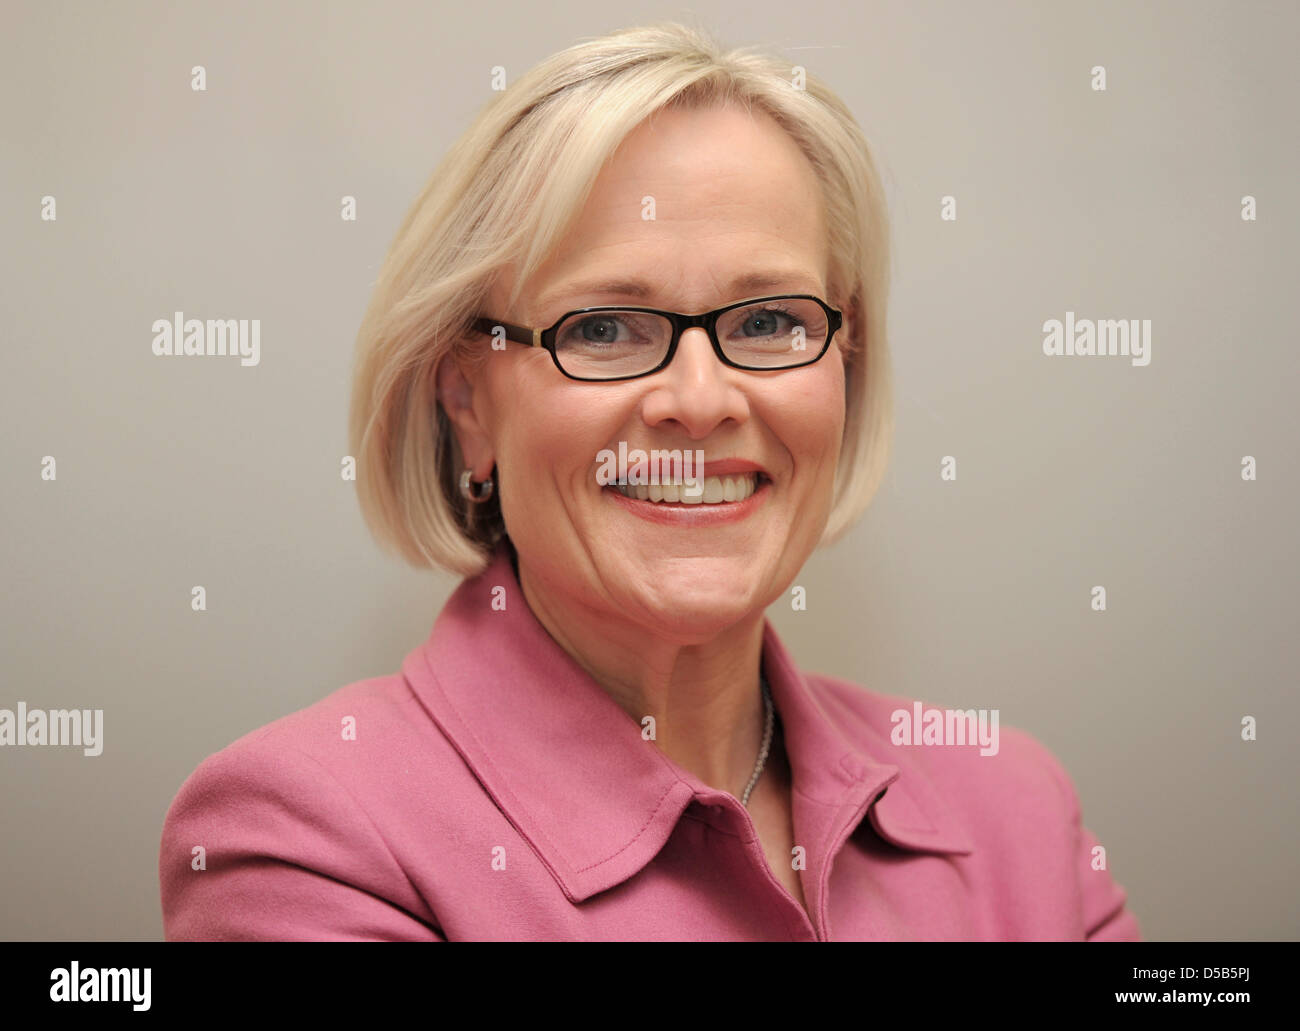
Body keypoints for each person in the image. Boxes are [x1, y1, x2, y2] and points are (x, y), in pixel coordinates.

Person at [158, 22, 1140, 941]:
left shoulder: (1015, 804)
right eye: (602, 329)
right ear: (467, 398)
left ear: (846, 362)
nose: (700, 399)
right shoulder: (306, 834)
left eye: (766, 321)